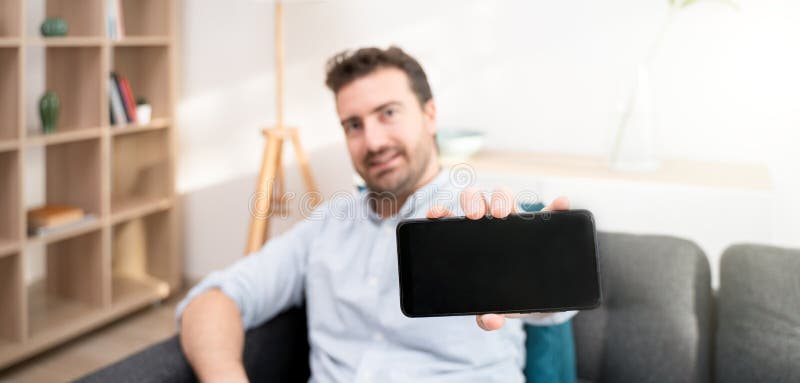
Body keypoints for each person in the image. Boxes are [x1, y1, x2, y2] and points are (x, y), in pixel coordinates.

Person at [177, 46, 575, 383]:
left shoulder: (480, 217)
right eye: (353, 125)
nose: (373, 141)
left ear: (430, 114)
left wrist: (538, 272)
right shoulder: (325, 226)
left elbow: (555, 300)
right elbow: (214, 299)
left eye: (388, 113)